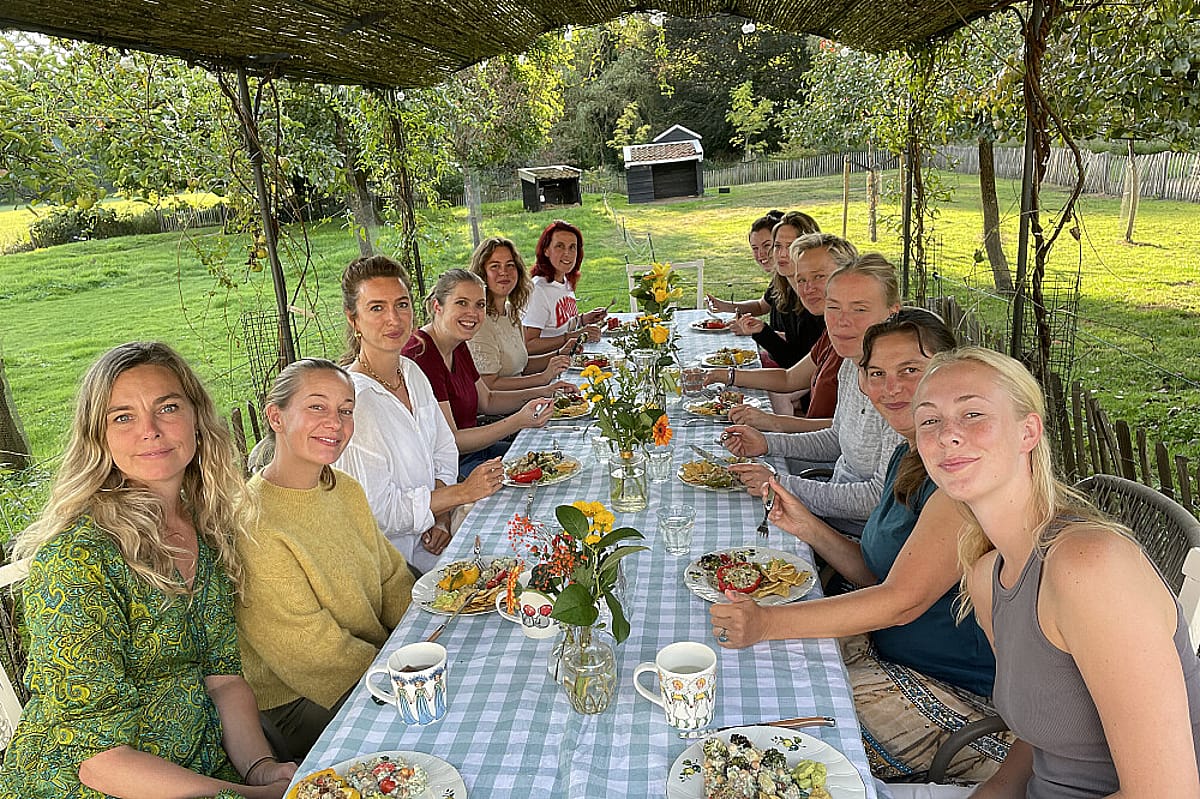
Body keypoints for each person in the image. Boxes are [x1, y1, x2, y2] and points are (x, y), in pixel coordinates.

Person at [711, 311, 1007, 782]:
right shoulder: (909, 453)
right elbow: (876, 575)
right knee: (746, 674)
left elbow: (901, 602)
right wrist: (808, 527)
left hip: (956, 694)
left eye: (910, 370)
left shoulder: (961, 480)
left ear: (946, 372)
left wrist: (767, 623)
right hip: (886, 648)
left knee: (763, 728)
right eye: (877, 373)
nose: (891, 388)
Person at [0, 342, 296, 799]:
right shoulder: (77, 561)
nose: (151, 431)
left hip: (204, 768)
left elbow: (223, 680)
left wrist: (260, 769)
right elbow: (98, 761)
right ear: (98, 437)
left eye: (168, 408)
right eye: (123, 417)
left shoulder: (205, 528)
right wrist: (248, 796)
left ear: (196, 418)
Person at [913, 347, 1200, 798]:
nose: (948, 434)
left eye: (973, 414)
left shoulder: (1089, 566)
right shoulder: (987, 577)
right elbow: (1040, 730)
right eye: (929, 420)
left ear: (1028, 432)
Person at [237, 358, 414, 760]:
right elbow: (313, 653)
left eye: (345, 410)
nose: (335, 422)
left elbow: (391, 577)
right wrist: (404, 667)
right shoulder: (255, 522)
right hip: (303, 699)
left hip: (375, 661)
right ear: (276, 417)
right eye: (316, 406)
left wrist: (421, 638)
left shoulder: (343, 488)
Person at [334, 256, 504, 574]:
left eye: (401, 304)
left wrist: (441, 516)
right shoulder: (356, 401)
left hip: (436, 537)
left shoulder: (411, 371)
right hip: (395, 568)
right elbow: (380, 512)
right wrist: (461, 493)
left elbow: (443, 448)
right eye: (377, 308)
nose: (394, 319)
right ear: (353, 318)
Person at [722, 254, 905, 536]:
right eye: (833, 307)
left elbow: (875, 499)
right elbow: (836, 439)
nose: (842, 321)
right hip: (828, 505)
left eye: (859, 309)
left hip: (856, 535)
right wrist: (766, 443)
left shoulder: (900, 394)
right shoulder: (852, 363)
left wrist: (780, 483)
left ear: (892, 313)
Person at [405, 269, 561, 478]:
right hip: (448, 470)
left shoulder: (457, 343)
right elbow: (451, 441)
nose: (472, 313)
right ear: (437, 306)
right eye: (462, 303)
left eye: (479, 304)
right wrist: (518, 421)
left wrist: (545, 391)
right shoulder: (422, 355)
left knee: (556, 459)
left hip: (477, 451)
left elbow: (487, 400)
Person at [706, 232, 859, 433]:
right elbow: (789, 379)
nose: (808, 288)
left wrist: (773, 423)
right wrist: (724, 374)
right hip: (813, 442)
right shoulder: (833, 333)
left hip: (822, 448)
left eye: (819, 276)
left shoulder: (864, 343)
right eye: (800, 280)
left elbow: (847, 432)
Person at [716, 211, 825, 371]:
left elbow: (799, 370)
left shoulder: (817, 300)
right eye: (778, 246)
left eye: (791, 246)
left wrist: (764, 333)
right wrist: (760, 330)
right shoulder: (781, 284)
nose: (782, 254)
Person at [467, 236, 575, 390]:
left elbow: (521, 365)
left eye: (510, 265)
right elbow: (490, 386)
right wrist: (543, 379)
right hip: (504, 405)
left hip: (524, 398)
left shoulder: (511, 312)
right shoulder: (479, 322)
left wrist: (560, 354)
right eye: (495, 266)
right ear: (481, 273)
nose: (504, 272)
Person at [522, 219, 607, 355]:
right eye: (560, 246)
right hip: (547, 364)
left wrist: (583, 319)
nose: (567, 253)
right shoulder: (538, 290)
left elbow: (559, 324)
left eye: (572, 247)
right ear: (546, 251)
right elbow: (528, 345)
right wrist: (573, 336)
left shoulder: (565, 280)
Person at [705, 209, 782, 320]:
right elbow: (761, 306)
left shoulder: (796, 283)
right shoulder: (779, 280)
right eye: (755, 248)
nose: (760, 254)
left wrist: (760, 328)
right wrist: (722, 306)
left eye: (766, 245)